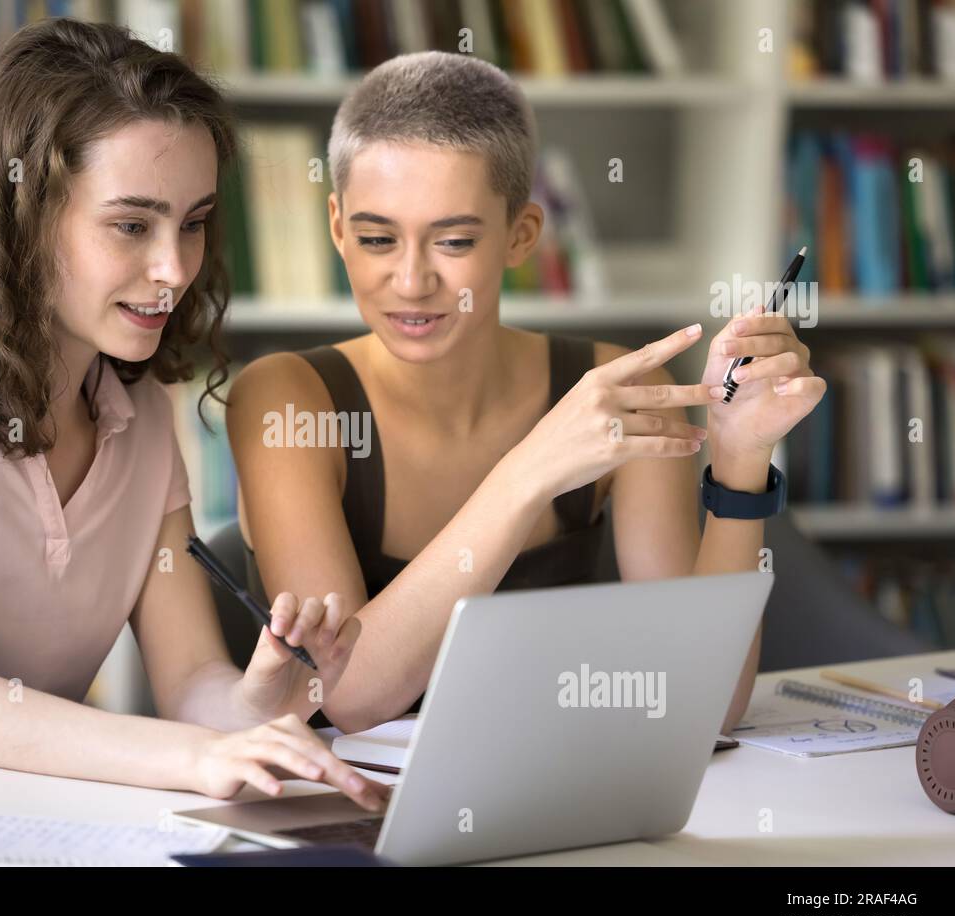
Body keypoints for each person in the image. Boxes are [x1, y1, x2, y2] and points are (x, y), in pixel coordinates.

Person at [0, 19, 387, 814]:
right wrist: (196, 754)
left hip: (17, 830)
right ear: (20, 215)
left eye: (192, 223)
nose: (173, 270)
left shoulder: (143, 415)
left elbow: (191, 677)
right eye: (132, 225)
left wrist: (259, 701)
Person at [227, 52, 824, 734]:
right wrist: (529, 471)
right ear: (337, 228)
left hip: (548, 804)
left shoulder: (618, 395)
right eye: (376, 238)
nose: (411, 279)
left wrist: (741, 457)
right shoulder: (286, 401)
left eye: (452, 240)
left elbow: (706, 701)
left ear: (521, 235)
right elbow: (348, 693)